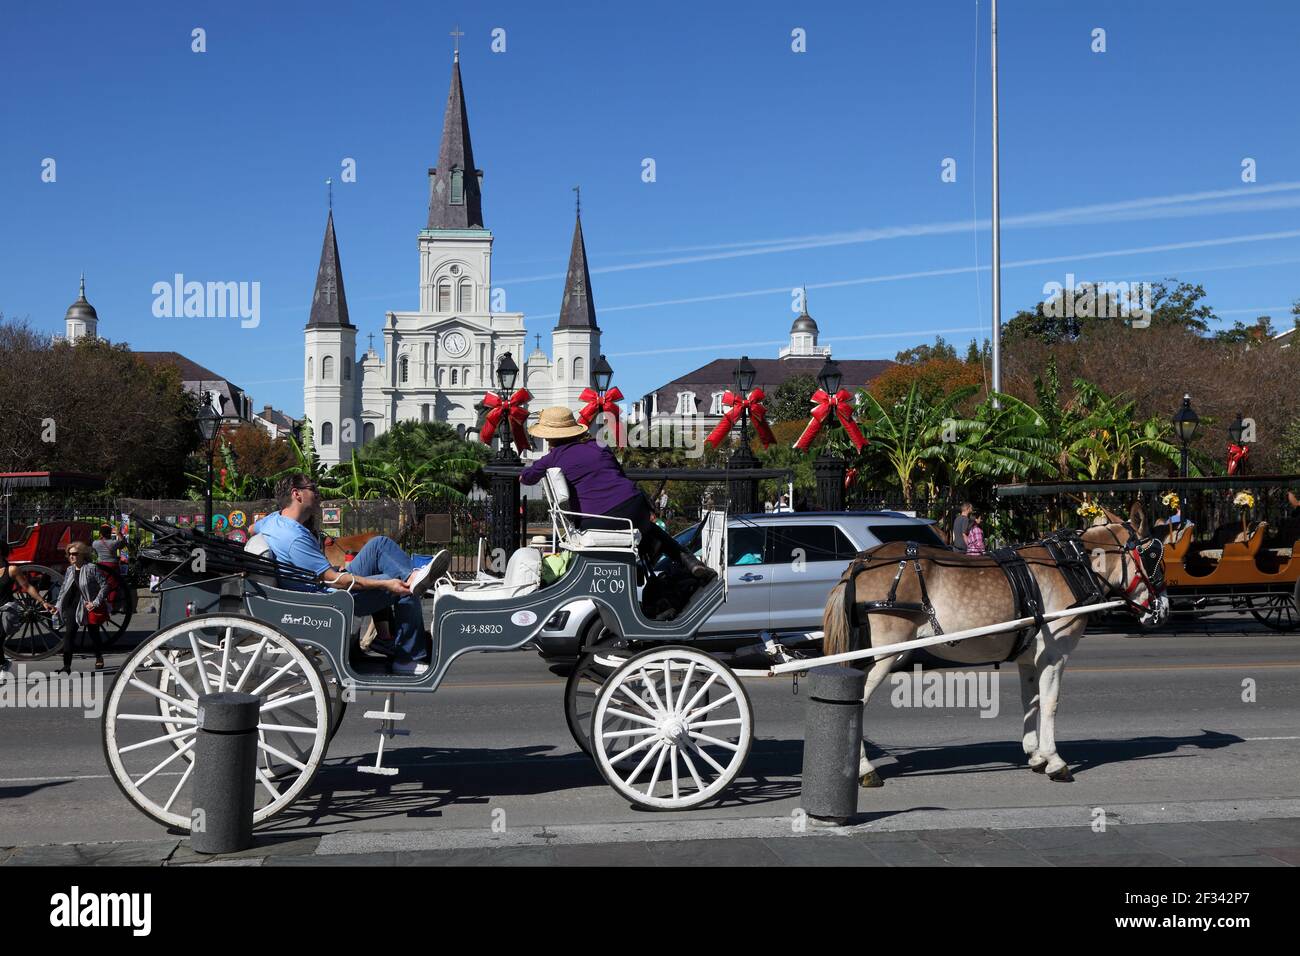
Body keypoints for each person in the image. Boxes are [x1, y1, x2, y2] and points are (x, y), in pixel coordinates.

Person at [252, 474, 450, 676]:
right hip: (327, 600)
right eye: (313, 488)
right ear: (297, 494)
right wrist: (386, 585)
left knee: (378, 544)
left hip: (326, 585)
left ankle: (413, 576)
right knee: (403, 588)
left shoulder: (273, 520)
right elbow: (335, 580)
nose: (318, 494)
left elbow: (251, 528)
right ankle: (407, 658)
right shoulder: (293, 538)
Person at [520, 407, 717, 581]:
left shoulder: (553, 457)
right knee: (648, 528)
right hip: (636, 506)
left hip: (600, 519)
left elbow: (527, 477)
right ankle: (688, 561)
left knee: (630, 527)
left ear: (550, 437)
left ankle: (636, 570)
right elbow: (619, 475)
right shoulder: (598, 445)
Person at [0, 540, 59, 673]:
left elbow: (27, 587)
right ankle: (3, 663)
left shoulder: (12, 569)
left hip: (6, 611)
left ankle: (3, 665)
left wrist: (43, 602)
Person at [55, 541, 107, 672]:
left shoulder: (91, 568)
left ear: (82, 555)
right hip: (73, 606)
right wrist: (58, 605)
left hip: (88, 605)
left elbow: (105, 586)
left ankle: (99, 657)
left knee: (93, 633)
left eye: (75, 554)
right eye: (69, 554)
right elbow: (64, 588)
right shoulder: (69, 570)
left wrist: (95, 602)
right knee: (69, 634)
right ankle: (67, 666)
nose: (71, 556)